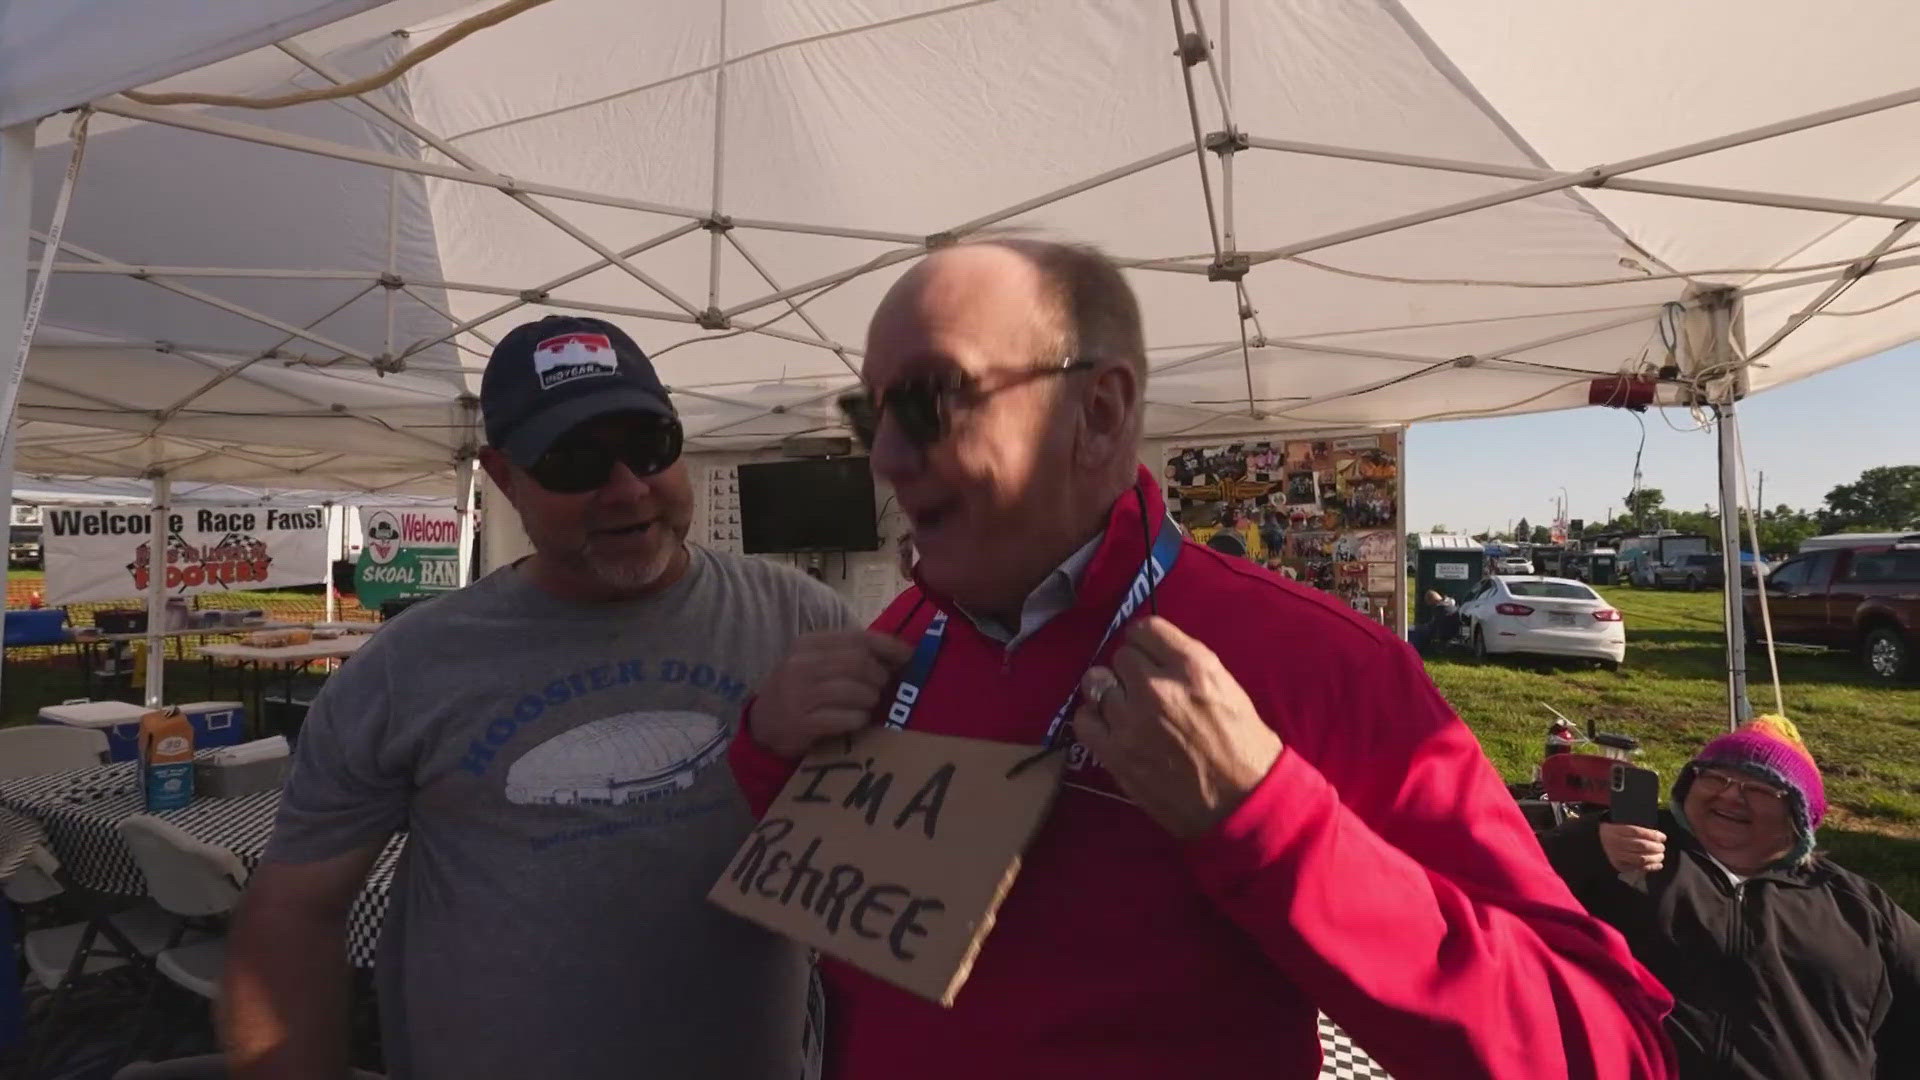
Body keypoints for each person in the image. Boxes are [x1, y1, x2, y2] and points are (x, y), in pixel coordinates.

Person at [730, 238, 1675, 1078]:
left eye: (931, 404)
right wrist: (770, 756)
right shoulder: (901, 636)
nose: (885, 460)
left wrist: (1271, 824)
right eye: (871, 417)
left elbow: (1608, 1053)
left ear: (1100, 412)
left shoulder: (1317, 662)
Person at [223, 316, 853, 1079]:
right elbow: (293, 914)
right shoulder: (407, 667)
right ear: (503, 476)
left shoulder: (800, 620)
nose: (627, 489)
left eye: (651, 445)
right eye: (574, 460)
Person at [1543, 717, 1919, 1078]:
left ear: (1798, 816)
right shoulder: (1626, 852)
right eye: (1715, 778)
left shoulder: (1856, 904)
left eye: (1758, 788)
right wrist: (1585, 847)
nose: (1730, 795)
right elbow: (1519, 882)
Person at [1409, 588, 1461, 654]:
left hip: (1445, 633)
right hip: (1453, 631)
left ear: (1431, 600)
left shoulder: (1440, 609)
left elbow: (1434, 626)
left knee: (1416, 631)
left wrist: (1421, 627)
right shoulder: (1450, 604)